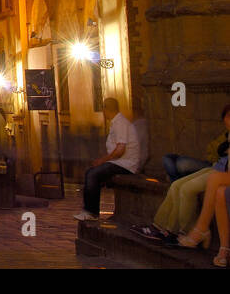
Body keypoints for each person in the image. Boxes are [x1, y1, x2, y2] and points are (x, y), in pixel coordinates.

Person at [130, 104, 230, 242]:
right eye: (226, 118)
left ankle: (180, 231)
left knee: (186, 189)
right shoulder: (226, 134)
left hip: (222, 171)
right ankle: (159, 226)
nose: (227, 121)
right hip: (216, 166)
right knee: (176, 185)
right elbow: (212, 151)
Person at [75, 97, 142, 221]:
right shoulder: (116, 123)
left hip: (126, 164)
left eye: (103, 109)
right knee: (92, 173)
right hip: (120, 162)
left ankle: (91, 212)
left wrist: (103, 160)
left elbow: (120, 150)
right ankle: (89, 210)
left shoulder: (120, 123)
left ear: (106, 108)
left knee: (93, 174)